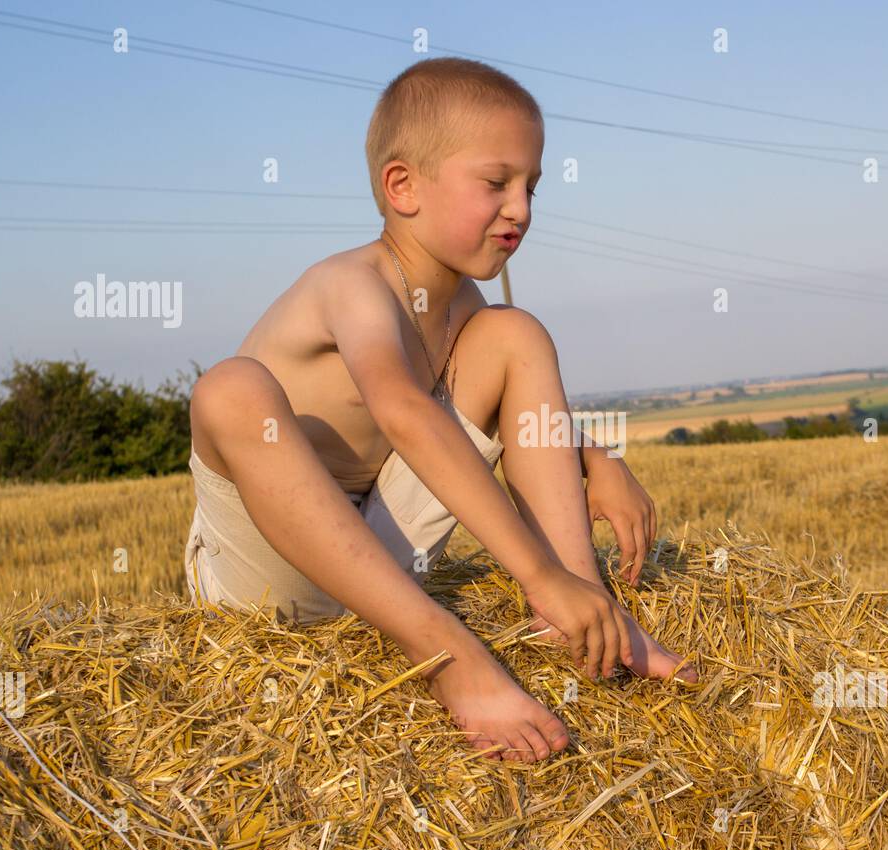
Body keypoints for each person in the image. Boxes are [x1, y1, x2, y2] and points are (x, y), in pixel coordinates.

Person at [183, 56, 697, 765]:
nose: (521, 207)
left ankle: (582, 613)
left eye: (531, 186)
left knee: (516, 335)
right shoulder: (353, 287)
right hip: (269, 574)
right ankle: (451, 658)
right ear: (403, 187)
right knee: (230, 388)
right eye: (497, 183)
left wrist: (594, 457)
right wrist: (529, 569)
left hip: (378, 559)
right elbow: (404, 412)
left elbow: (503, 409)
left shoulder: (461, 305)